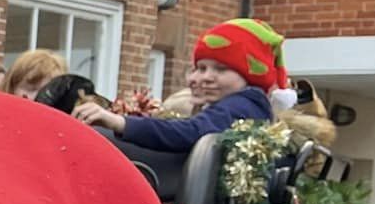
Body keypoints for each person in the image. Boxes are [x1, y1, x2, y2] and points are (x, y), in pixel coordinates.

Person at [75, 19, 283, 150]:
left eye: (221, 69)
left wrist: (120, 122)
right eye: (200, 68)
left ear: (251, 76)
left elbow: (189, 132)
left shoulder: (243, 105)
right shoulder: (233, 106)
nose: (206, 77)